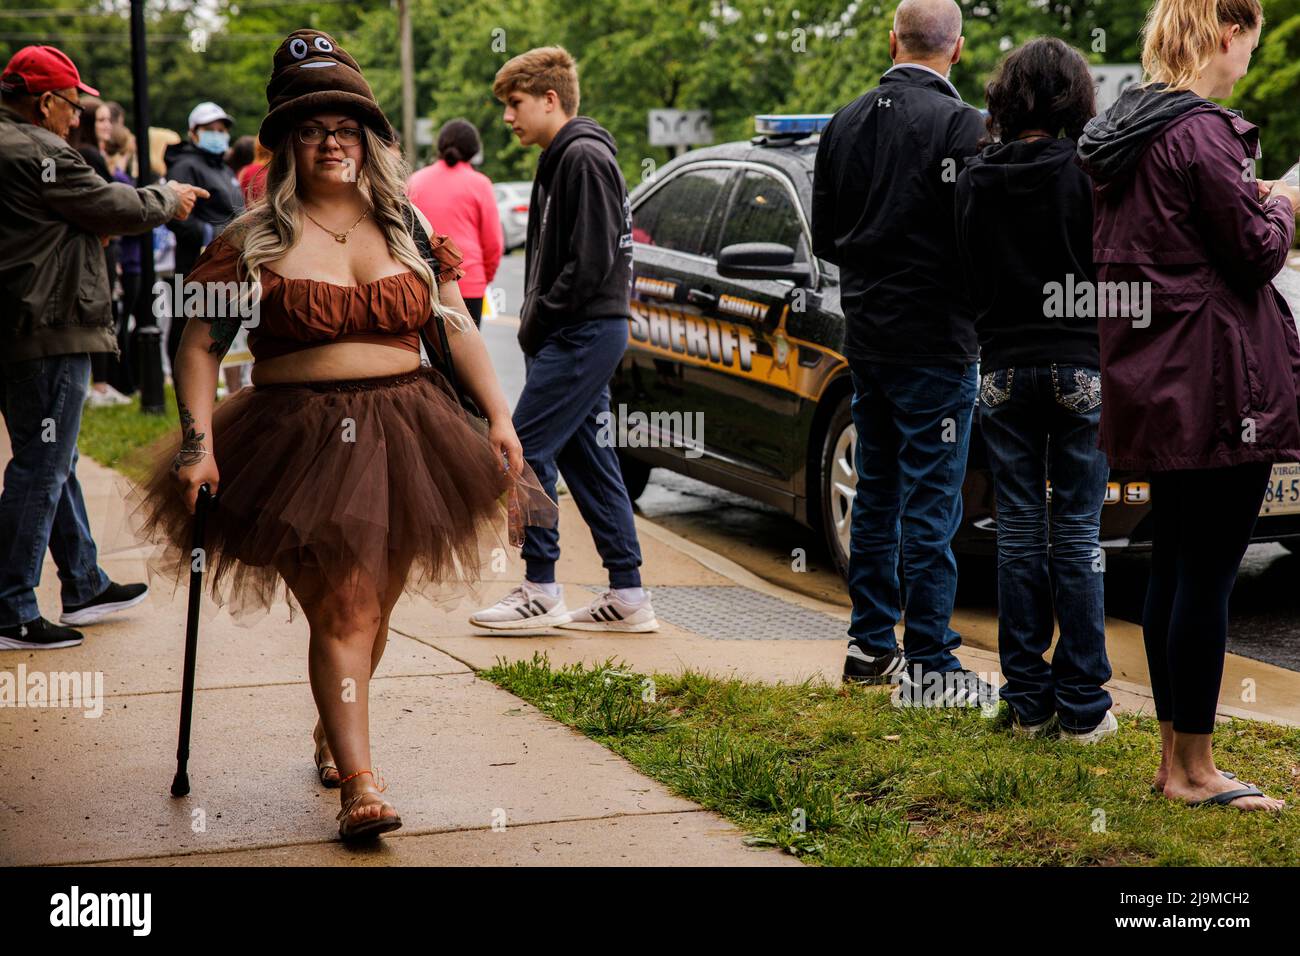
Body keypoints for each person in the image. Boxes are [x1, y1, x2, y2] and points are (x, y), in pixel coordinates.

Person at [128, 30, 558, 841]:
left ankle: (335, 725)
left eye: (346, 128)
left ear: (368, 141)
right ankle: (363, 782)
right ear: (288, 143)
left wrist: (500, 416)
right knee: (346, 606)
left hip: (410, 431)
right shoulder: (249, 238)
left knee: (375, 607)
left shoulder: (404, 228)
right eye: (313, 128)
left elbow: (457, 327)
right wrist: (197, 443)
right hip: (293, 443)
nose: (331, 141)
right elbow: (196, 346)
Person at [1077, 0, 1300, 810]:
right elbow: (1254, 253)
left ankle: (1175, 759)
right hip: (1214, 383)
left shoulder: (1125, 133)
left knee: (1173, 564)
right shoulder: (1202, 131)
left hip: (1153, 377)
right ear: (1225, 34)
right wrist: (1283, 204)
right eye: (1252, 41)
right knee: (1207, 574)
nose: (1250, 57)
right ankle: (1196, 771)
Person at [812, 0, 990, 705]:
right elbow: (976, 238)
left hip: (868, 338)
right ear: (958, 49)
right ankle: (930, 665)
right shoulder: (964, 126)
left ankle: (869, 647)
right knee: (932, 502)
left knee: (879, 494)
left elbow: (826, 236)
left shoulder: (845, 122)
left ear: (893, 40)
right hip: (939, 342)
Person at [0, 45, 205, 650]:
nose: (78, 119)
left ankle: (83, 580)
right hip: (50, 326)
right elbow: (113, 203)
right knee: (42, 466)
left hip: (23, 325)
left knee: (51, 459)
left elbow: (62, 219)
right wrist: (167, 198)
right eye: (72, 106)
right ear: (45, 102)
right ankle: (11, 606)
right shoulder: (39, 151)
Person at [954, 37, 1116, 741]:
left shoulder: (975, 176)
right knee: (1078, 534)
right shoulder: (1090, 173)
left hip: (1002, 368)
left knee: (1018, 532)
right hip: (1080, 363)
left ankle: (1027, 700)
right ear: (1075, 98)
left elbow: (966, 279)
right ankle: (1084, 709)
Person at [469, 46, 657, 633]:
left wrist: (539, 317)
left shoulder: (583, 157)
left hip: (583, 332)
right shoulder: (565, 156)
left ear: (551, 99)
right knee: (590, 460)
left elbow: (594, 260)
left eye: (516, 103)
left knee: (521, 449)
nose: (507, 117)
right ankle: (628, 596)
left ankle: (540, 586)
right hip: (581, 331)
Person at [164, 101, 245, 368]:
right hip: (194, 262)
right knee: (188, 323)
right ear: (193, 132)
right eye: (210, 128)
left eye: (222, 129)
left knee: (217, 324)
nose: (218, 134)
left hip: (226, 263)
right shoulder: (185, 166)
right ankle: (181, 382)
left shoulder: (222, 167)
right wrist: (210, 234)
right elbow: (175, 216)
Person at [407, 119, 503, 328]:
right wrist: (483, 278)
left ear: (440, 146)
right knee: (467, 356)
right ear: (474, 149)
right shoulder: (480, 184)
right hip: (469, 283)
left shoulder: (415, 181)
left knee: (430, 358)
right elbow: (493, 243)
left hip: (423, 285)